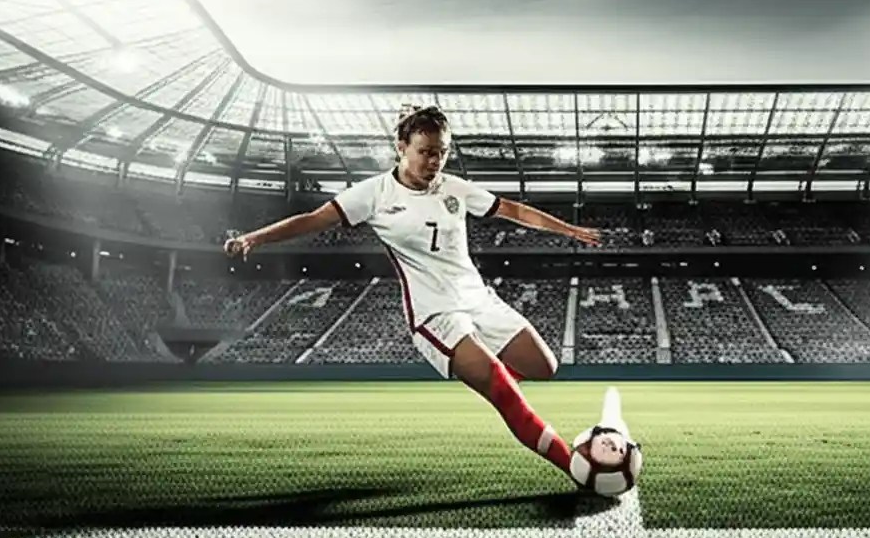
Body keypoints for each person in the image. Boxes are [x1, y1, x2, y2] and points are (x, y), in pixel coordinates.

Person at [223, 105, 601, 479]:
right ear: (401, 147)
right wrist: (254, 238)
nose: (435, 161)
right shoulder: (374, 194)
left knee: (544, 366)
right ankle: (575, 466)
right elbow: (313, 219)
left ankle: (488, 377)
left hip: (478, 298)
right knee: (502, 389)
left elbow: (513, 211)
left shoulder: (454, 188)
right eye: (426, 151)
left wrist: (568, 230)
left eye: (442, 152)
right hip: (435, 313)